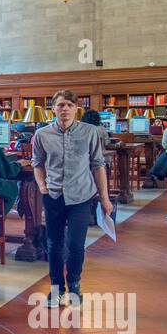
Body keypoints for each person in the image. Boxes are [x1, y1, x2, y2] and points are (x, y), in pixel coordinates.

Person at [31, 90, 114, 308]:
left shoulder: (90, 132)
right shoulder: (42, 135)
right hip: (54, 195)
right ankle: (56, 288)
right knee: (54, 244)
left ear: (76, 108)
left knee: (76, 245)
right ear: (53, 109)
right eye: (60, 105)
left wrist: (105, 198)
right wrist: (42, 185)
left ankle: (75, 284)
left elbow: (98, 165)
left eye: (69, 105)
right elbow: (37, 163)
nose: (64, 109)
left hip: (81, 196)